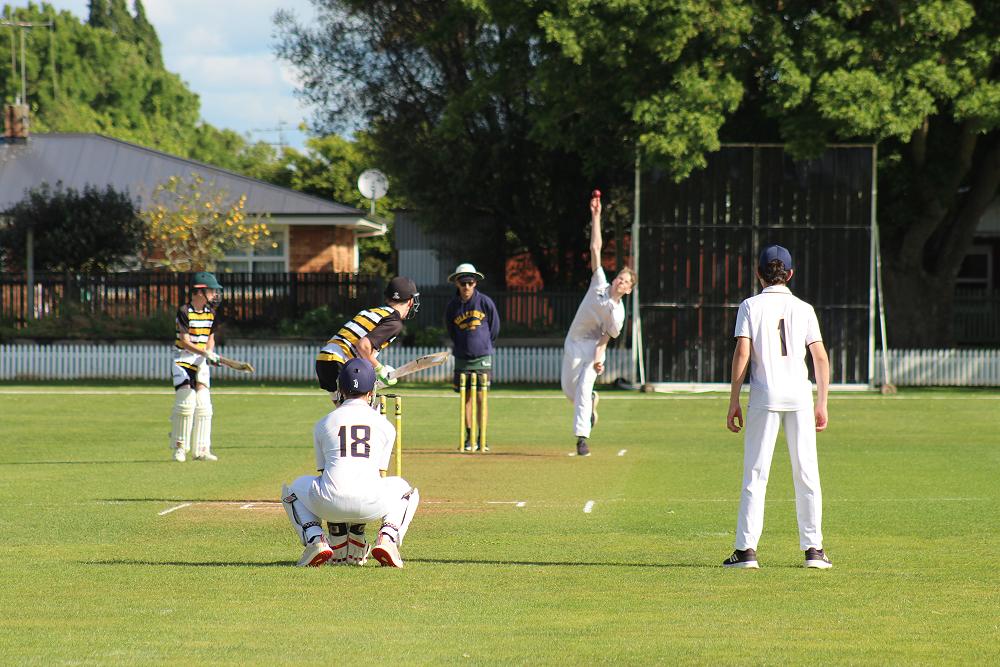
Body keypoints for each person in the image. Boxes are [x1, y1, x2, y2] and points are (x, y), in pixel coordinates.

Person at [723, 244, 832, 570]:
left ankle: (746, 552)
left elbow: (743, 353)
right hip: (799, 396)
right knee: (807, 472)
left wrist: (733, 401)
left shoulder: (750, 305)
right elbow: (820, 357)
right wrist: (822, 402)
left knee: (756, 474)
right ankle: (813, 551)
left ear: (759, 273)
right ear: (790, 274)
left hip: (764, 397)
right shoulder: (804, 308)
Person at [281, 358, 420, 567]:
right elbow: (378, 472)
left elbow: (325, 470)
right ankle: (388, 537)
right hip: (371, 504)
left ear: (340, 389)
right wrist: (356, 531)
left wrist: (339, 537)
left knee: (292, 490)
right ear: (371, 391)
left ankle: (315, 539)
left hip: (329, 504)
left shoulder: (324, 422)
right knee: (405, 490)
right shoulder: (385, 426)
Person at [561, 192, 636, 457]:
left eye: (625, 281)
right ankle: (592, 403)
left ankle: (582, 439)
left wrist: (599, 356)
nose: (619, 281)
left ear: (628, 290)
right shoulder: (599, 284)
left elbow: (607, 335)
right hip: (573, 342)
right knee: (570, 391)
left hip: (593, 348)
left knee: (583, 387)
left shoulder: (618, 313)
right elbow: (595, 248)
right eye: (619, 277)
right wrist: (596, 215)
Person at [315, 276, 420, 401]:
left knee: (344, 412)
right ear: (410, 302)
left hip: (324, 360)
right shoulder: (394, 322)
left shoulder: (370, 312)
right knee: (358, 411)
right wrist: (380, 369)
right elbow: (363, 346)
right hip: (340, 362)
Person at [169, 271, 224, 463]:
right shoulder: (184, 311)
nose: (215, 295)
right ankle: (179, 448)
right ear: (200, 291)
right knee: (186, 403)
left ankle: (202, 450)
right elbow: (184, 342)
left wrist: (210, 353)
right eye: (211, 291)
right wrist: (205, 353)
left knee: (203, 406)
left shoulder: (211, 313)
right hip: (183, 361)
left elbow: (210, 339)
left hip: (200, 361)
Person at [445, 263, 500, 451]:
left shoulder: (485, 302)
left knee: (481, 397)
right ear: (457, 284)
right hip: (461, 358)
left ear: (475, 283)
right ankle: (469, 439)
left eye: (470, 283)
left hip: (483, 357)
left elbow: (494, 328)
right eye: (463, 283)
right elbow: (450, 329)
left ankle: (482, 437)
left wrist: (484, 345)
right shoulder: (452, 305)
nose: (466, 287)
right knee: (466, 398)